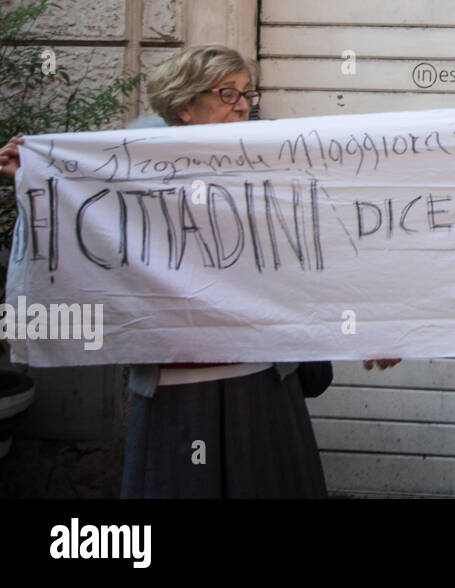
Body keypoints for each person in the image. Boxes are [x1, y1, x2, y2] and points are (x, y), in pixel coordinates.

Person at [3, 44, 398, 497]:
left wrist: (375, 322)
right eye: (226, 93)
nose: (242, 104)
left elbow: (321, 251)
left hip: (263, 378)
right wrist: (37, 178)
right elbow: (90, 238)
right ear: (185, 106)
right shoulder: (133, 174)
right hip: (177, 388)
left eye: (248, 93)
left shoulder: (279, 168)